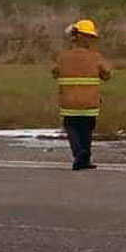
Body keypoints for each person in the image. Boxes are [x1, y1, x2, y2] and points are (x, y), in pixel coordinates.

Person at [52, 19, 111, 170]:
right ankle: (85, 159)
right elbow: (107, 74)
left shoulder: (63, 57)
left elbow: (55, 73)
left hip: (69, 103)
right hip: (90, 103)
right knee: (86, 129)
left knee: (71, 127)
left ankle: (79, 153)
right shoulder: (95, 57)